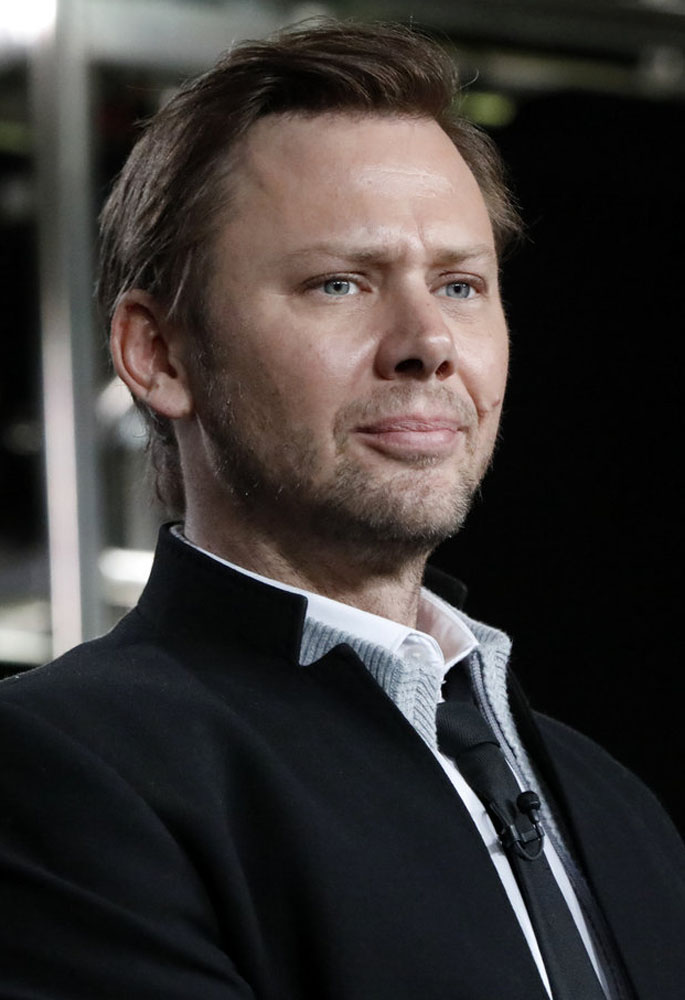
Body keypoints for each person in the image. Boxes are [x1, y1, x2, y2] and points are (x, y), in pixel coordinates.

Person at [0, 19, 683, 1000]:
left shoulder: (620, 811)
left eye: (459, 284)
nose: (426, 343)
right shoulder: (63, 769)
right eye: (339, 283)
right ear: (158, 354)